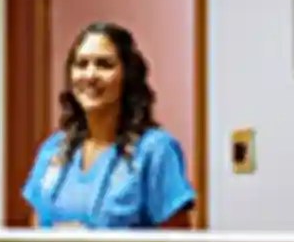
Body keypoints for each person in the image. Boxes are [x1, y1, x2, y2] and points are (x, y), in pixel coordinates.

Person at [22, 21, 196, 229]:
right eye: (81, 64)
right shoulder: (54, 150)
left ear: (128, 75)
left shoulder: (155, 151)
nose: (90, 75)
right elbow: (34, 233)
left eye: (104, 65)